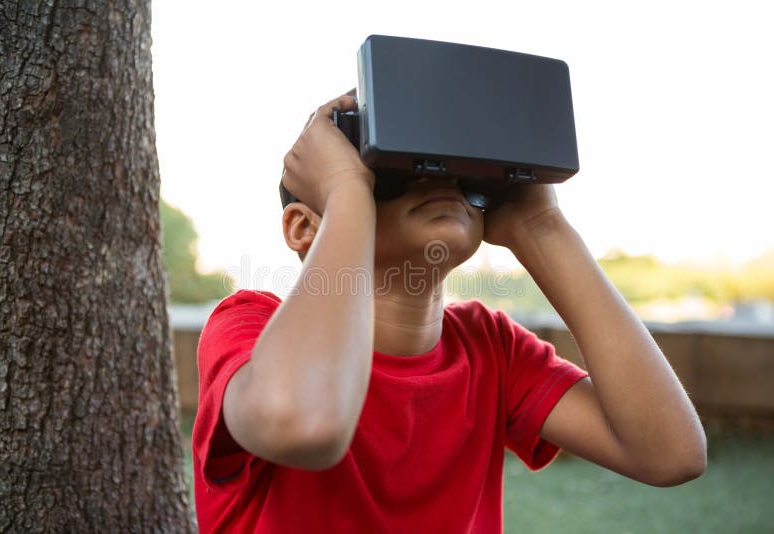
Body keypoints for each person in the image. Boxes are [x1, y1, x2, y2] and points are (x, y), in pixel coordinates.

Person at [191, 93, 707, 533]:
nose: (433, 178)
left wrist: (543, 225)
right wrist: (348, 193)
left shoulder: (490, 349)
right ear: (304, 227)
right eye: (388, 167)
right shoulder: (248, 328)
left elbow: (671, 453)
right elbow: (303, 423)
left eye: (450, 169)